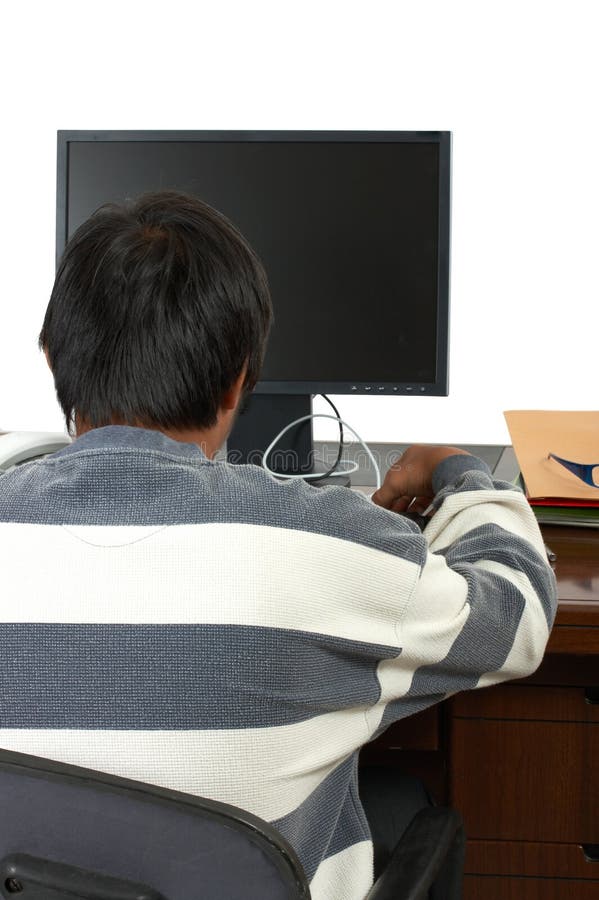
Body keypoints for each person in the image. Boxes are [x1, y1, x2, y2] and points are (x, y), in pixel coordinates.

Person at [0, 191, 557, 900]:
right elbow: (517, 616)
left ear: (53, 359)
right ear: (240, 380)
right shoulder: (327, 543)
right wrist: (460, 475)